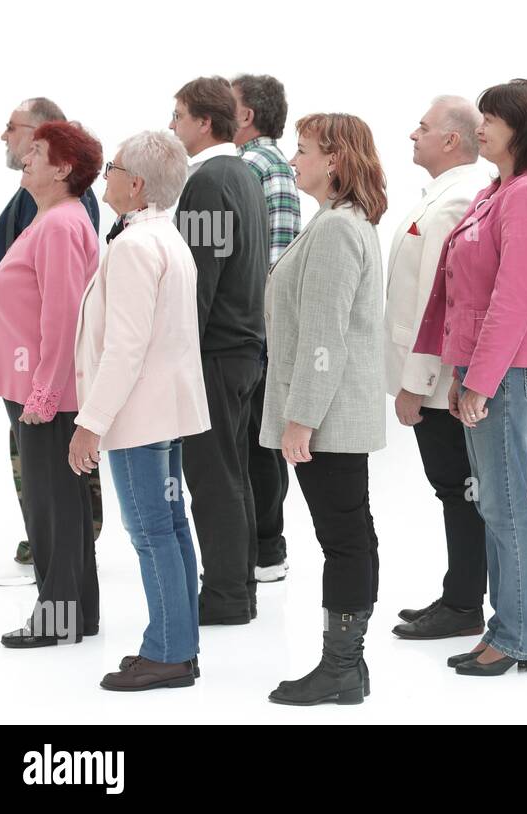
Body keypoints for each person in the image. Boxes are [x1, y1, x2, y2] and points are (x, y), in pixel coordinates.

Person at [415, 79, 527, 676]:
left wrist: (480, 379)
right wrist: (461, 371)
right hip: (487, 370)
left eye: (494, 118)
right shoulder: (494, 193)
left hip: (509, 371)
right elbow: (464, 291)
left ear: (521, 129)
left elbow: (513, 300)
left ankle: (520, 637)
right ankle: (504, 628)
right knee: (496, 506)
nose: (483, 125)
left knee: (505, 507)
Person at [70, 130, 211, 690]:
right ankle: (178, 644)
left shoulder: (133, 247)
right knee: (171, 527)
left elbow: (124, 348)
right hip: (165, 411)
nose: (105, 175)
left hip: (136, 416)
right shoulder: (165, 238)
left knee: (153, 531)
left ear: (135, 183)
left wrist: (90, 424)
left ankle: (169, 652)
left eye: (112, 167)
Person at [263, 113, 388, 705]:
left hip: (328, 419)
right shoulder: (338, 223)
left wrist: (301, 418)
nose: (294, 160)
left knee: (343, 540)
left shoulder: (338, 230)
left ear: (335, 160)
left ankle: (341, 666)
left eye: (304, 150)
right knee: (353, 535)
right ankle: (349, 664)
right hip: (335, 415)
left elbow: (324, 335)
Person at [0, 121, 102, 646]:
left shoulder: (58, 226)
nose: (25, 158)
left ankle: (57, 621)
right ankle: (79, 615)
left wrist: (45, 395)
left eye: (37, 153)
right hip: (42, 390)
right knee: (62, 504)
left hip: (46, 394)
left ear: (63, 169)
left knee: (51, 506)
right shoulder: (53, 219)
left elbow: (63, 314)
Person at [387, 96, 492, 641]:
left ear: (451, 140)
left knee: (458, 488)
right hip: (436, 380)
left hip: (440, 383)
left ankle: (464, 604)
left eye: (423, 128)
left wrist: (417, 382)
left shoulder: (457, 199)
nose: (413, 134)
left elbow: (439, 302)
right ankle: (460, 593)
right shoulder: (445, 195)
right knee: (455, 488)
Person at [169, 76, 270, 625]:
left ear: (204, 122)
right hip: (241, 350)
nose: (172, 125)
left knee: (213, 480)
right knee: (232, 474)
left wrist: (175, 358)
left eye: (179, 115)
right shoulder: (244, 174)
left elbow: (198, 283)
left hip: (215, 354)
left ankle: (227, 596)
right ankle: (238, 590)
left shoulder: (208, 181)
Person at [231, 73, 301, 583]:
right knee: (262, 438)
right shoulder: (274, 164)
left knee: (252, 439)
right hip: (268, 326)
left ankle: (263, 548)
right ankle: (266, 545)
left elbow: (261, 261)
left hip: (254, 327)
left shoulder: (249, 166)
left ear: (247, 114)